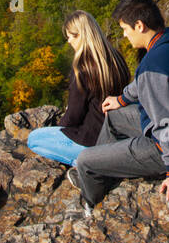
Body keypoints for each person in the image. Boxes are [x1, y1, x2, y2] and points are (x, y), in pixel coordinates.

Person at [69, 0, 169, 212]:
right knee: (115, 116)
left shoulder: (152, 66)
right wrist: (122, 99)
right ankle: (104, 167)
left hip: (168, 148)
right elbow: (149, 82)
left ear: (140, 25)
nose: (125, 36)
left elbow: (165, 121)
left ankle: (92, 204)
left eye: (125, 29)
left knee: (85, 161)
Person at [26, 11, 131, 167]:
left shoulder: (82, 67)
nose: (68, 41)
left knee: (34, 139)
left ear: (80, 35)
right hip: (114, 136)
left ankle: (87, 164)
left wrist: (58, 131)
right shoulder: (116, 58)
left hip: (89, 140)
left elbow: (73, 116)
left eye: (70, 36)